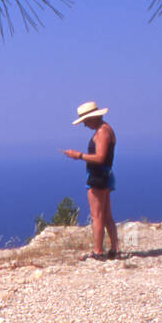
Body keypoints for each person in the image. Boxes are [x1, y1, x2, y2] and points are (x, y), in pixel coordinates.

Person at [60, 100, 118, 260]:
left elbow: (100, 158)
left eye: (85, 121)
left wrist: (78, 155)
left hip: (98, 176)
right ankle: (114, 249)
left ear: (92, 118)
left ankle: (98, 252)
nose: (85, 125)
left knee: (97, 216)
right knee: (106, 216)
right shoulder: (106, 129)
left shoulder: (101, 132)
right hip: (104, 175)